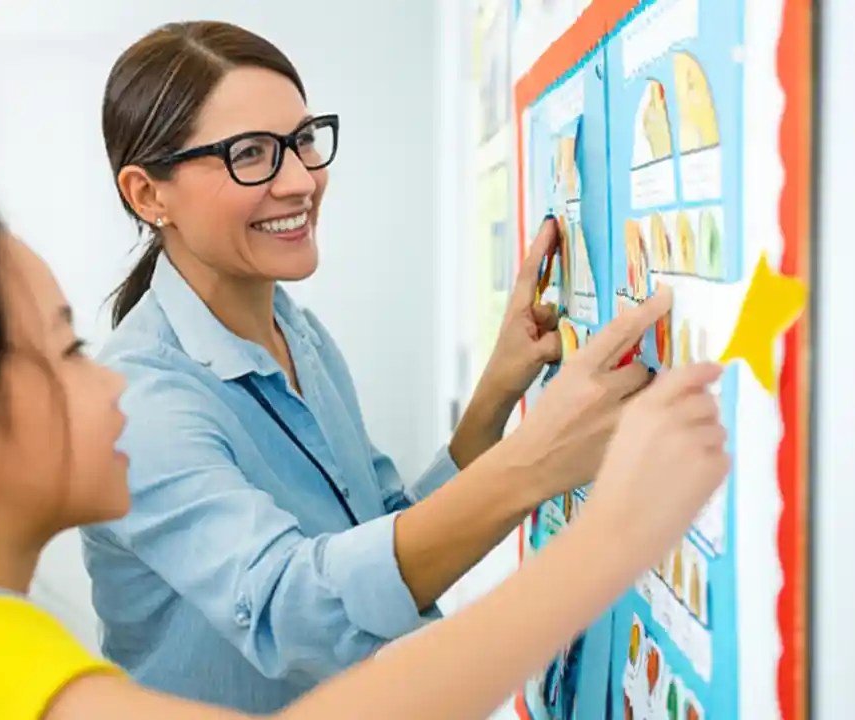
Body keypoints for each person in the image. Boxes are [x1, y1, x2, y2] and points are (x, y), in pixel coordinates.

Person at [0, 190, 727, 720]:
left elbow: (377, 526)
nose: (110, 384)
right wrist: (614, 536)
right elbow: (302, 622)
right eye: (66, 352)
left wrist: (500, 407)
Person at [84, 20, 659, 711]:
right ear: (148, 194)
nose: (300, 180)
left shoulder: (300, 335)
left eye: (302, 140)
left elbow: (383, 532)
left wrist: (497, 394)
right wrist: (531, 465)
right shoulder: (137, 400)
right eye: (250, 154)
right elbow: (288, 607)